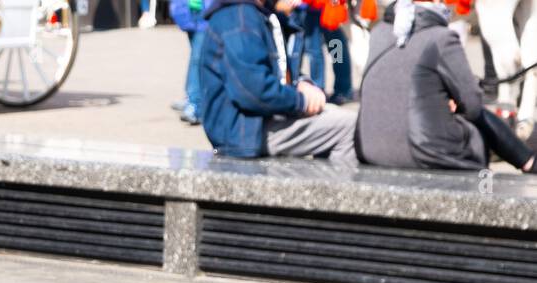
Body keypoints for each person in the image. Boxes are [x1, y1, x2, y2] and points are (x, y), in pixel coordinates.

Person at [356, 0, 536, 171]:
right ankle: (528, 161)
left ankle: (526, 157)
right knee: (476, 129)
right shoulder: (442, 38)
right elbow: (473, 106)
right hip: (422, 153)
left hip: (368, 148)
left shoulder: (378, 32)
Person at [200, 0, 358, 162]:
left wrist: (301, 82)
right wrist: (301, 101)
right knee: (321, 51)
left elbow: (274, 67)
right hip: (244, 131)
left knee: (331, 49)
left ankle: (340, 86)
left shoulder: (254, 14)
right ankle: (337, 86)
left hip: (327, 12)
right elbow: (253, 91)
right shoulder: (241, 19)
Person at [171, 0, 209, 125]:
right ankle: (192, 98)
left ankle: (195, 104)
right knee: (196, 58)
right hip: (189, 13)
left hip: (205, 14)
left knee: (197, 59)